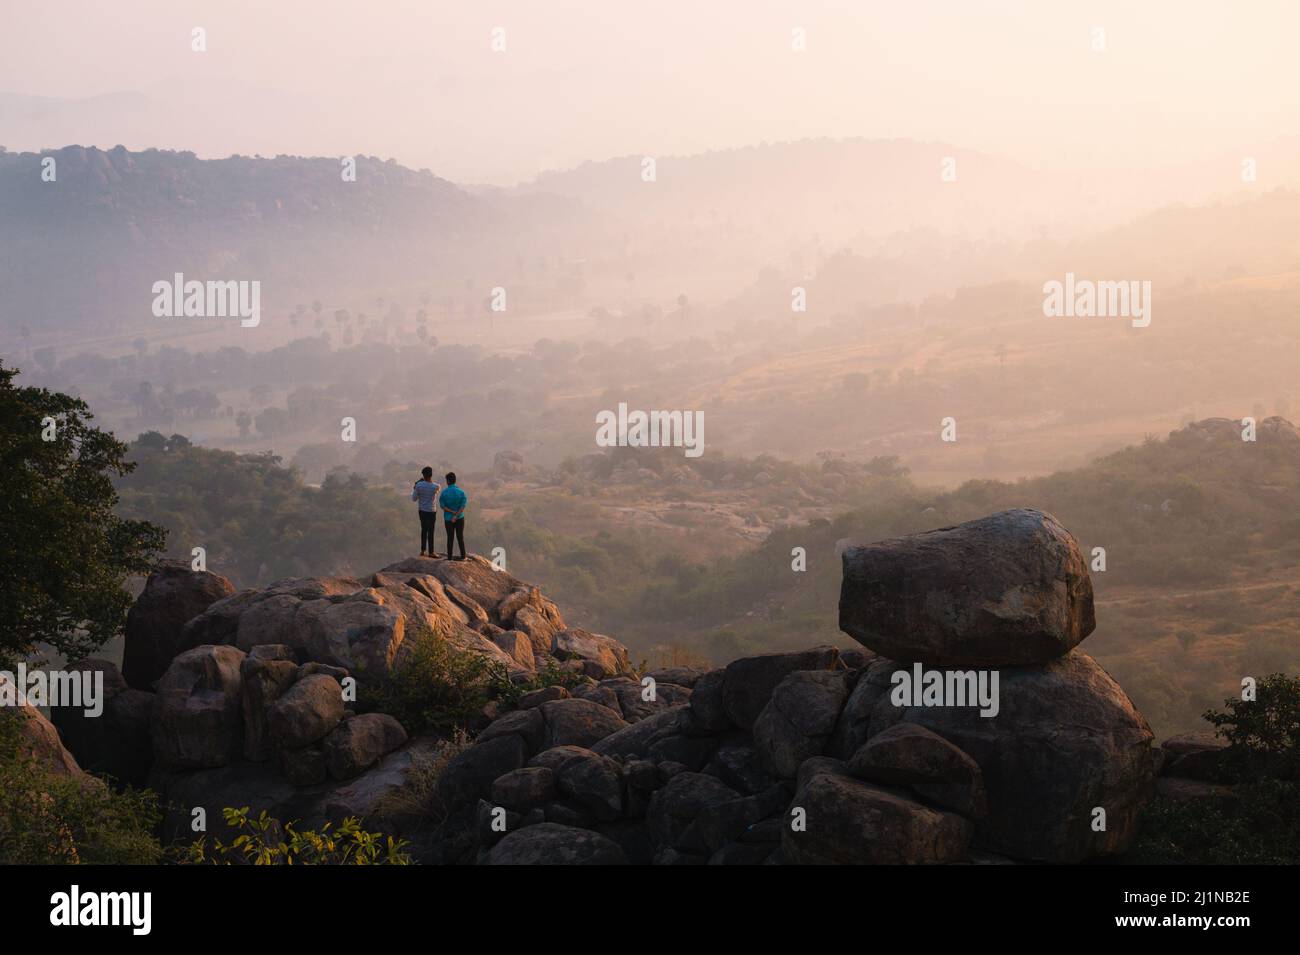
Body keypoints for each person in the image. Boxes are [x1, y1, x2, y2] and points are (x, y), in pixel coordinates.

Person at [411, 467, 441, 557]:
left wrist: (415, 487)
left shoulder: (419, 486)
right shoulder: (436, 486)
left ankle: (423, 551)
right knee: (431, 531)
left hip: (422, 511)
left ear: (423, 475)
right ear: (431, 475)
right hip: (432, 511)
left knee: (424, 530)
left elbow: (413, 498)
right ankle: (431, 552)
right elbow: (437, 491)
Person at [439, 471, 468, 560]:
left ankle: (450, 557)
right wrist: (456, 515)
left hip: (448, 519)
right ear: (455, 480)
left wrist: (451, 512)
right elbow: (463, 506)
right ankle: (463, 556)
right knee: (460, 537)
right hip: (460, 518)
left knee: (450, 538)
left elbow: (442, 506)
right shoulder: (461, 492)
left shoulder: (444, 493)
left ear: (448, 481)